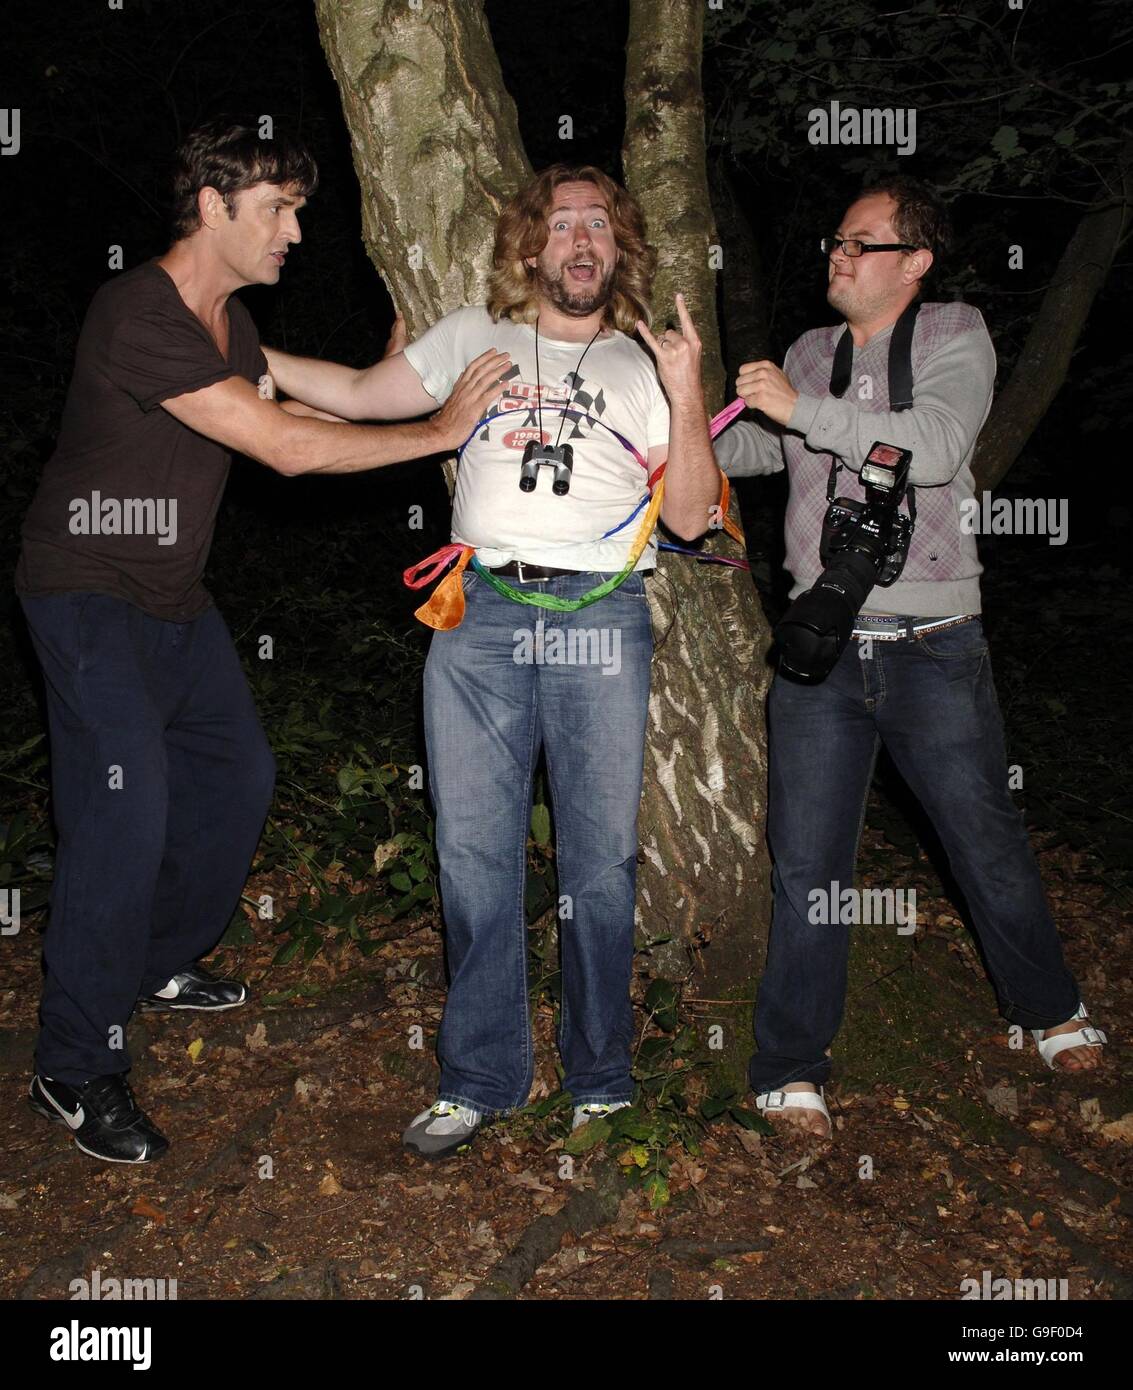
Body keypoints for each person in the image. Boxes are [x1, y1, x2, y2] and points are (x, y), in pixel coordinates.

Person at [15, 116, 506, 1163]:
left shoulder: (226, 325)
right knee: (123, 811)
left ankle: (152, 960)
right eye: (279, 208)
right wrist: (436, 431)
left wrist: (399, 371)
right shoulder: (136, 312)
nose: (295, 231)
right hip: (84, 588)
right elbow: (283, 446)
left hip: (172, 598)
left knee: (237, 774)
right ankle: (76, 1062)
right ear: (212, 203)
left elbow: (312, 393)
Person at [264, 163, 719, 1158]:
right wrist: (240, 356)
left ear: (619, 247)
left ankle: (600, 1077)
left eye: (597, 224)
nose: (580, 240)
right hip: (477, 617)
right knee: (471, 853)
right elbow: (355, 392)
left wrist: (686, 392)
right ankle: (479, 1076)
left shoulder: (644, 364)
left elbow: (689, 517)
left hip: (601, 617)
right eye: (559, 225)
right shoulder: (475, 335)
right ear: (528, 247)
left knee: (597, 861)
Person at [716, 176, 1106, 1138]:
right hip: (820, 654)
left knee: (985, 842)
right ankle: (791, 1063)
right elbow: (761, 458)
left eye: (860, 242)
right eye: (837, 240)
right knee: (807, 866)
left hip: (933, 644)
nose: (837, 256)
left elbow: (933, 447)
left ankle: (1045, 1008)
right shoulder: (810, 353)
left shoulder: (951, 333)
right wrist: (672, 429)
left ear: (914, 262)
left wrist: (803, 410)